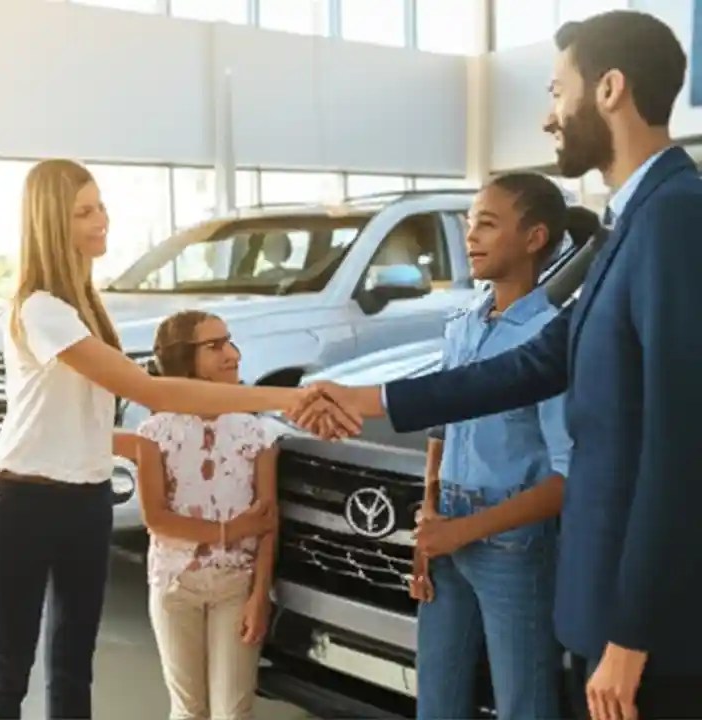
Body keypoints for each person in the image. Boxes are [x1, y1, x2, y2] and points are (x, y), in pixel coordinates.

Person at [294, 11, 702, 720]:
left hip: (641, 631)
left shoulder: (675, 217)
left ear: (609, 89)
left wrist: (632, 635)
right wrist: (370, 399)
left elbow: (680, 447)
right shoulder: (634, 218)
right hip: (602, 607)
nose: (549, 117)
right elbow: (536, 361)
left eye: (557, 92)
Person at [0, 159, 356, 720]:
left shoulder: (86, 306)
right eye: (84, 212)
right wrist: (287, 398)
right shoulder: (41, 309)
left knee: (73, 664)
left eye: (101, 206)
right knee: (8, 670)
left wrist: (130, 444)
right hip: (24, 499)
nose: (101, 220)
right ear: (50, 223)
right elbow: (151, 391)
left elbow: (75, 415)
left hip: (86, 496)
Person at [410, 173, 577, 720]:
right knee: (436, 700)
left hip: (514, 545)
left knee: (523, 705)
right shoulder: (462, 325)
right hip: (445, 527)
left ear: (534, 238)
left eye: (487, 223)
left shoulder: (552, 338)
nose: (470, 237)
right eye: (469, 223)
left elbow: (567, 479)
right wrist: (431, 514)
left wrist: (463, 530)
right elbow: (442, 423)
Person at [124, 310, 279, 720]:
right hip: (175, 586)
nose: (233, 354)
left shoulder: (257, 432)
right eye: (215, 346)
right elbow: (157, 519)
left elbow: (267, 521)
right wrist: (231, 529)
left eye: (230, 342)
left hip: (236, 586)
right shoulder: (155, 432)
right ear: (183, 358)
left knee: (234, 710)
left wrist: (260, 596)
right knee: (189, 710)